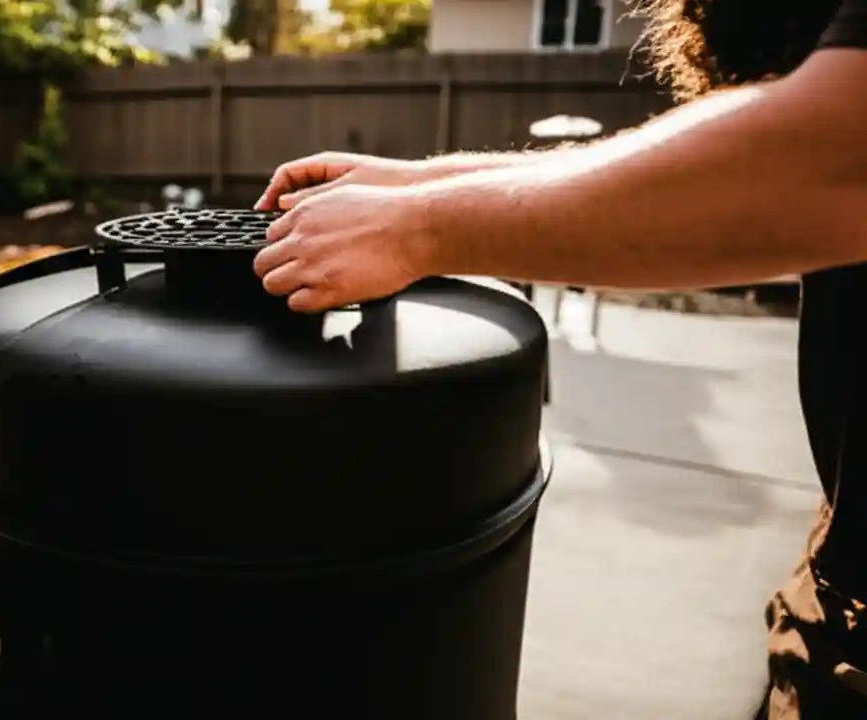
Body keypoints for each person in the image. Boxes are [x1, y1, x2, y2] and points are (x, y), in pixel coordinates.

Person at [252, 1, 867, 718]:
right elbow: (765, 133)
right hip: (839, 573)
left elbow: (833, 157)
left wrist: (420, 228)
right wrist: (419, 187)